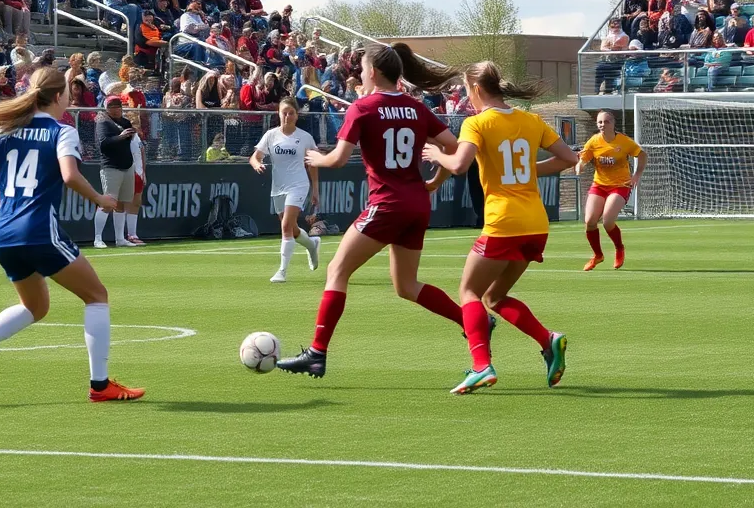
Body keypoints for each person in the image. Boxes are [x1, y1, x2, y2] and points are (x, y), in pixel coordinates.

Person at [0, 66, 145, 403]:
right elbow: (69, 176)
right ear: (58, 96)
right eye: (69, 91)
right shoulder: (61, 131)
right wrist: (99, 198)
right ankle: (100, 386)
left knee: (35, 307)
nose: (71, 96)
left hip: (5, 232)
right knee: (96, 296)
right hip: (38, 228)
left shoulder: (5, 129)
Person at [276, 43, 465, 379]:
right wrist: (436, 179)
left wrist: (318, 159)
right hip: (417, 204)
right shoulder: (415, 107)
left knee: (336, 270)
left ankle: (317, 353)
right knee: (406, 285)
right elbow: (453, 147)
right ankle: (471, 320)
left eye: (362, 68)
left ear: (373, 72)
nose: (359, 73)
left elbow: (337, 158)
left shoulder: (363, 107)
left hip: (387, 204)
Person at [422, 62, 578, 395]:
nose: (467, 96)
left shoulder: (476, 123)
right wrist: (526, 172)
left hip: (503, 222)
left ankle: (481, 367)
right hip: (535, 223)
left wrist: (438, 155)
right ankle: (548, 340)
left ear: (477, 89)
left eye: (466, 89)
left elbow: (460, 165)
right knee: (495, 296)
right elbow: (569, 158)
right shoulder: (530, 120)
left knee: (469, 293)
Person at [251, 97, 321, 283]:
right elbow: (254, 157)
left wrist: (315, 190)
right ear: (279, 114)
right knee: (292, 228)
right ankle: (312, 244)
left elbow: (312, 164)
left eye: (291, 113)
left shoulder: (305, 137)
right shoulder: (271, 135)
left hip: (298, 184)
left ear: (297, 116)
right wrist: (257, 164)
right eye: (284, 113)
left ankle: (282, 271)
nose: (287, 116)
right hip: (278, 187)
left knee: (285, 227)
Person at [574, 110, 646, 271]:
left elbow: (642, 155)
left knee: (607, 221)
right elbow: (584, 157)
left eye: (606, 122)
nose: (602, 125)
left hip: (620, 185)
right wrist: (580, 165)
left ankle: (619, 248)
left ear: (613, 124)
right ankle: (597, 255)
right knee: (590, 221)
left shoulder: (624, 141)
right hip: (599, 185)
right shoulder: (594, 141)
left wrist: (637, 175)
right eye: (600, 122)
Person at [92, 96, 139, 249]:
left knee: (122, 204)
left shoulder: (125, 122)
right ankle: (97, 238)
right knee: (108, 202)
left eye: (118, 106)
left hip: (127, 166)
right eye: (112, 106)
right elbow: (103, 144)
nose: (116, 109)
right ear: (106, 108)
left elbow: (128, 142)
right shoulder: (102, 122)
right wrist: (121, 136)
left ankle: (120, 238)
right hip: (111, 167)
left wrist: (130, 135)